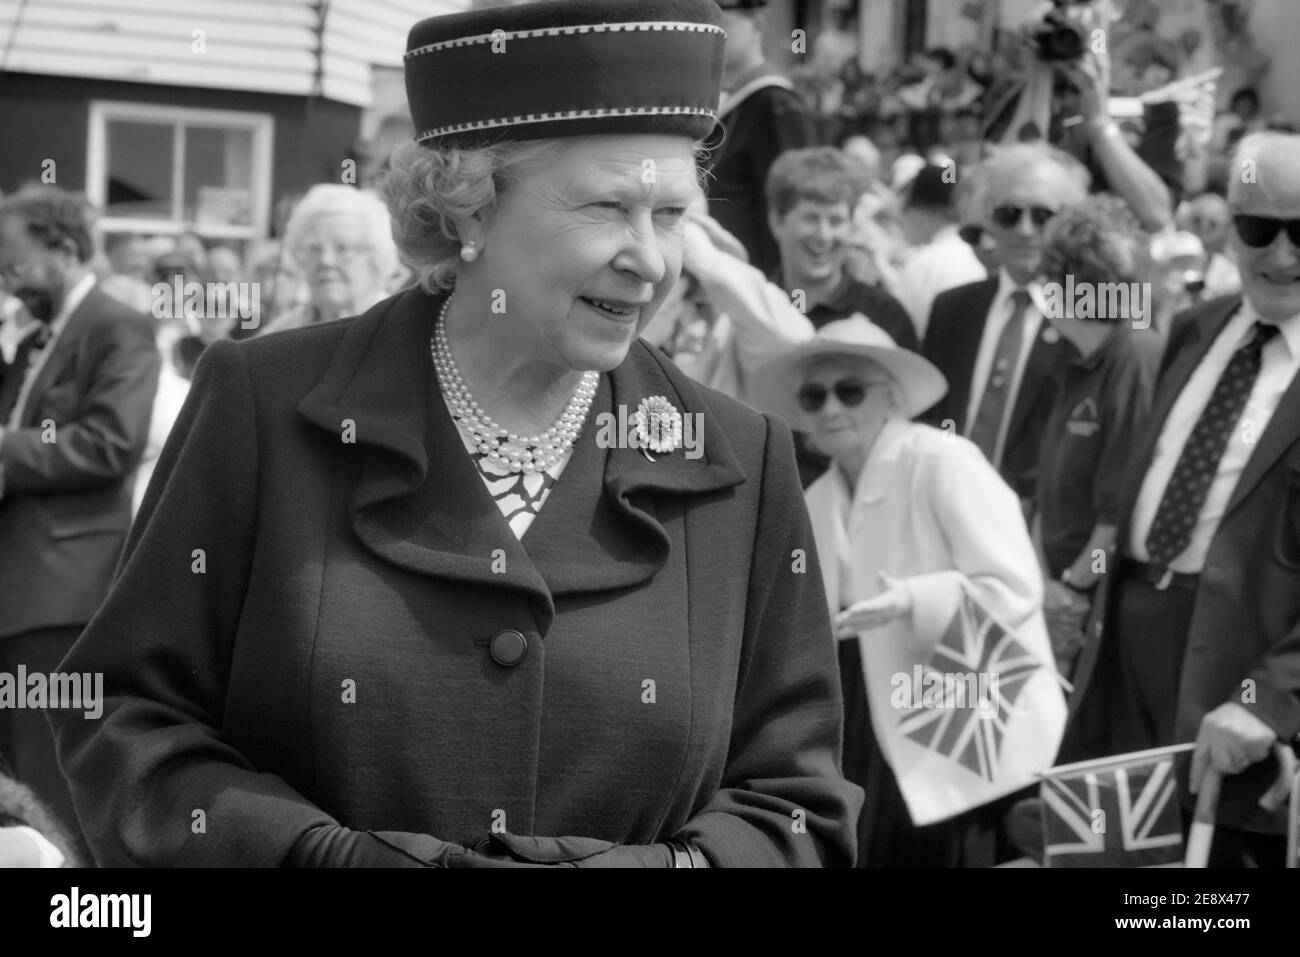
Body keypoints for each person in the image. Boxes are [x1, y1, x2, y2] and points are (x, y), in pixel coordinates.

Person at [52, 0, 861, 869]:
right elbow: (123, 716)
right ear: (469, 208)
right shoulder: (263, 406)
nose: (650, 259)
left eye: (669, 215)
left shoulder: (742, 460)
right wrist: (324, 860)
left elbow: (799, 802)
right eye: (606, 208)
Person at [1063, 133, 1300, 867]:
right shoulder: (1195, 328)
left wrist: (1269, 697)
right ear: (1229, 224)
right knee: (1113, 867)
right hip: (1124, 652)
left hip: (1240, 682)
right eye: (1260, 229)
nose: (1283, 255)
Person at [756, 316, 1063, 866]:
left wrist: (915, 602)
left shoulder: (941, 458)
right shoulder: (818, 496)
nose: (830, 408)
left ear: (891, 397)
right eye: (814, 395)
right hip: (867, 721)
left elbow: (1015, 586)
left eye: (849, 391)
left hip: (965, 718)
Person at [0, 187, 160, 862]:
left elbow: (110, 442)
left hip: (63, 594)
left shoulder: (117, 324)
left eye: (15, 264)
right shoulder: (33, 337)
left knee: (51, 785)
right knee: (16, 787)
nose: (8, 279)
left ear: (64, 250)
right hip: (20, 592)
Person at [1031, 196, 1163, 677]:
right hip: (1056, 598)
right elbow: (1048, 496)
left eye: (1051, 277)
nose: (1043, 291)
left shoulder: (1134, 356)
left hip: (1096, 613)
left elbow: (1120, 518)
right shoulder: (1075, 363)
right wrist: (1042, 586)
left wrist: (1071, 590)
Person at [921, 142, 1088, 509]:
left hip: (1042, 531)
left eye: (1043, 215)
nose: (1025, 230)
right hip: (947, 515)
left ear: (1072, 220)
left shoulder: (1095, 317)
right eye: (1009, 214)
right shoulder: (952, 309)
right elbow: (929, 419)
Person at [640, 210, 814, 410]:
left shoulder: (736, 328)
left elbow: (795, 341)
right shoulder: (626, 317)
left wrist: (706, 261)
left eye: (687, 264)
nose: (680, 273)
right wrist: (647, 331)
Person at [766, 147, 916, 348]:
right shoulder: (754, 306)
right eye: (811, 218)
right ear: (777, 221)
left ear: (852, 226)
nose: (823, 236)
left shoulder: (884, 316)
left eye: (835, 221)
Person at [705, 0, 815, 275]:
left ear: (758, 23)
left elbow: (792, 206)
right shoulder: (724, 102)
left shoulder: (776, 104)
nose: (714, 34)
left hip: (760, 277)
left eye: (724, 24)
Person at [258, 185, 400, 334]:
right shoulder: (283, 334)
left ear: (375, 259)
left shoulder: (397, 329)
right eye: (314, 249)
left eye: (343, 249)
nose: (326, 260)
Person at [894, 162, 987, 339]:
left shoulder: (921, 265)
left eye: (906, 209)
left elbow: (898, 332)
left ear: (921, 212)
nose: (902, 218)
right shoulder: (982, 255)